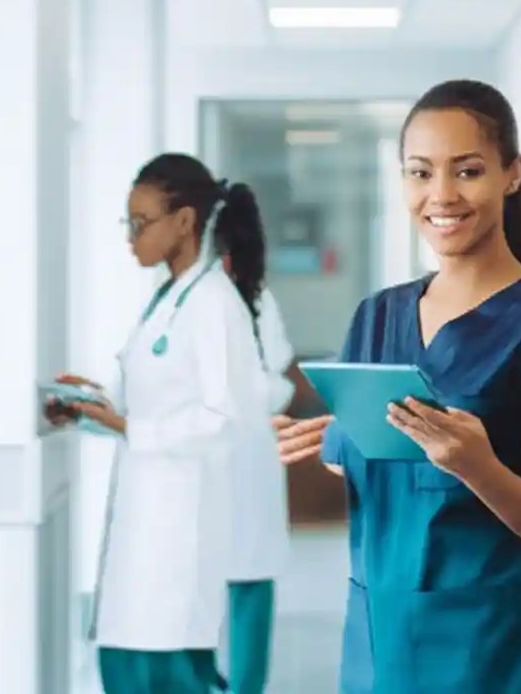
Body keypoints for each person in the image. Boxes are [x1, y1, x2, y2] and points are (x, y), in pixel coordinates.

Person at [275, 79, 521, 693]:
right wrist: (337, 441)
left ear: (513, 174)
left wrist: (478, 466)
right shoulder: (375, 318)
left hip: (501, 653)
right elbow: (394, 476)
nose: (441, 195)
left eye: (468, 170)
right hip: (382, 645)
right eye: (420, 173)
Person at [47, 153, 269, 694]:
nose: (131, 238)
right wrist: (89, 405)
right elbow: (146, 409)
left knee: (167, 673)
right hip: (143, 525)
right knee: (127, 666)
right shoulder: (165, 301)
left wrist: (127, 427)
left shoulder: (215, 304)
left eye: (141, 223)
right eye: (129, 224)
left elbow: (222, 421)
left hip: (180, 531)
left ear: (186, 221)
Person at [211, 227, 298, 694]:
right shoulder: (182, 304)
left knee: (247, 582)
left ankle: (243, 688)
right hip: (201, 459)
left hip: (245, 456)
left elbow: (275, 373)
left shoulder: (255, 301)